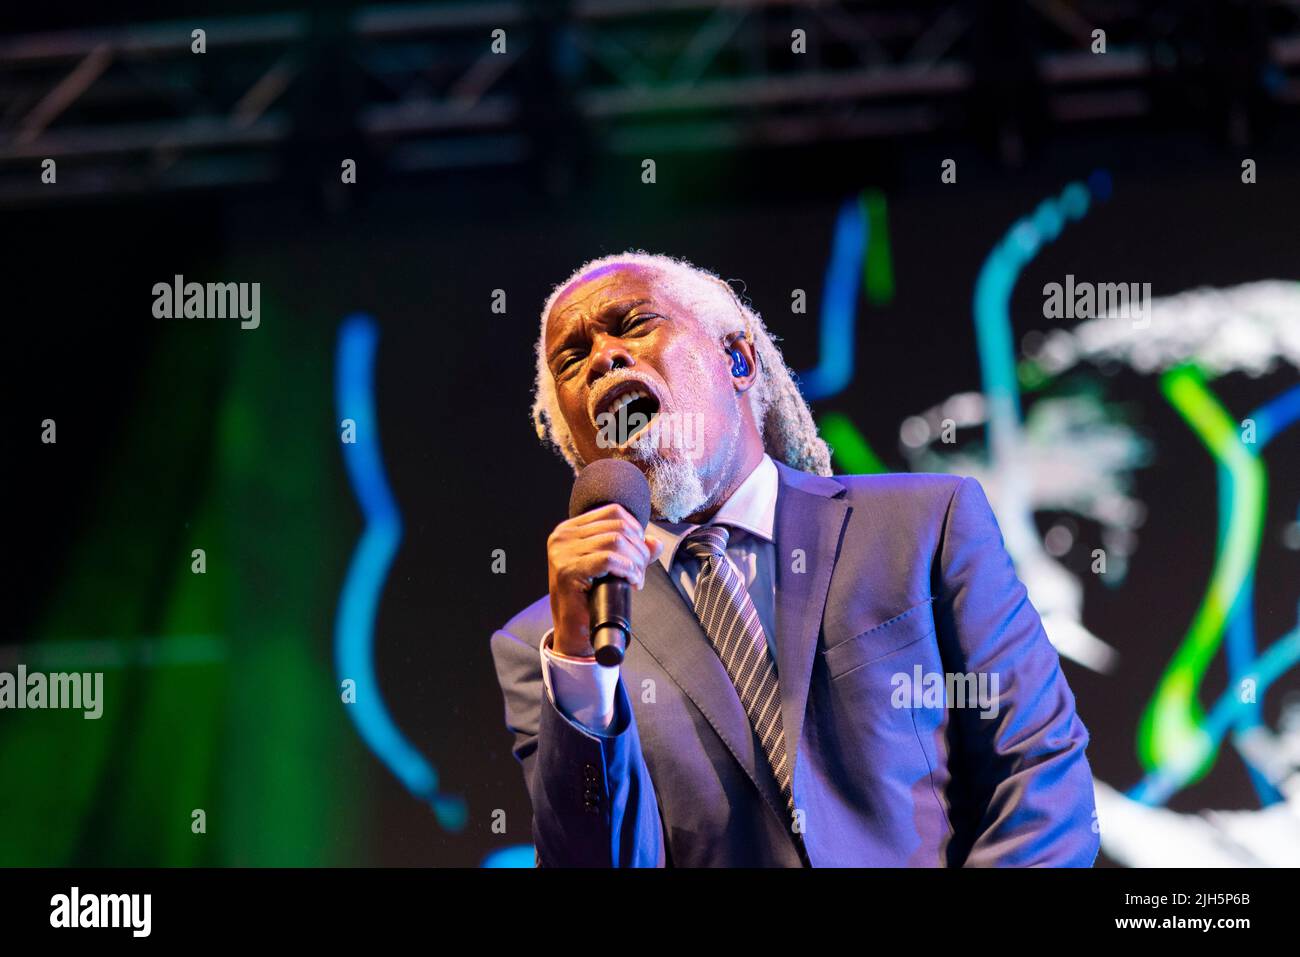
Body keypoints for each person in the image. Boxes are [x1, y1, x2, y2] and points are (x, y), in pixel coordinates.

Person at [489, 250, 1100, 866]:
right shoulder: (543, 647)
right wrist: (578, 660)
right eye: (571, 358)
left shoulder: (924, 525)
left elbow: (1037, 770)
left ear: (738, 358)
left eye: (634, 324)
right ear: (573, 441)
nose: (603, 357)